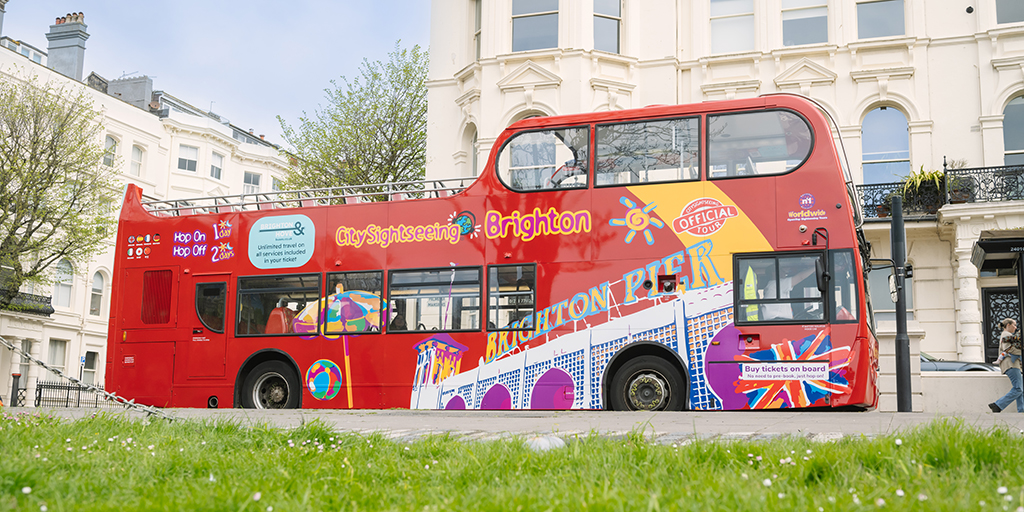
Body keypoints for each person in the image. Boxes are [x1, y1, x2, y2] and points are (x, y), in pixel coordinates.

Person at [989, 318, 1023, 413]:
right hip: (1011, 364)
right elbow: (1009, 349)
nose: (1015, 327)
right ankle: (997, 405)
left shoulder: (1007, 335)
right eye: (1014, 325)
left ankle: (1022, 410)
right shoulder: (1006, 335)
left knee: (1020, 388)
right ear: (1008, 325)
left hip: (1013, 364)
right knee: (1018, 389)